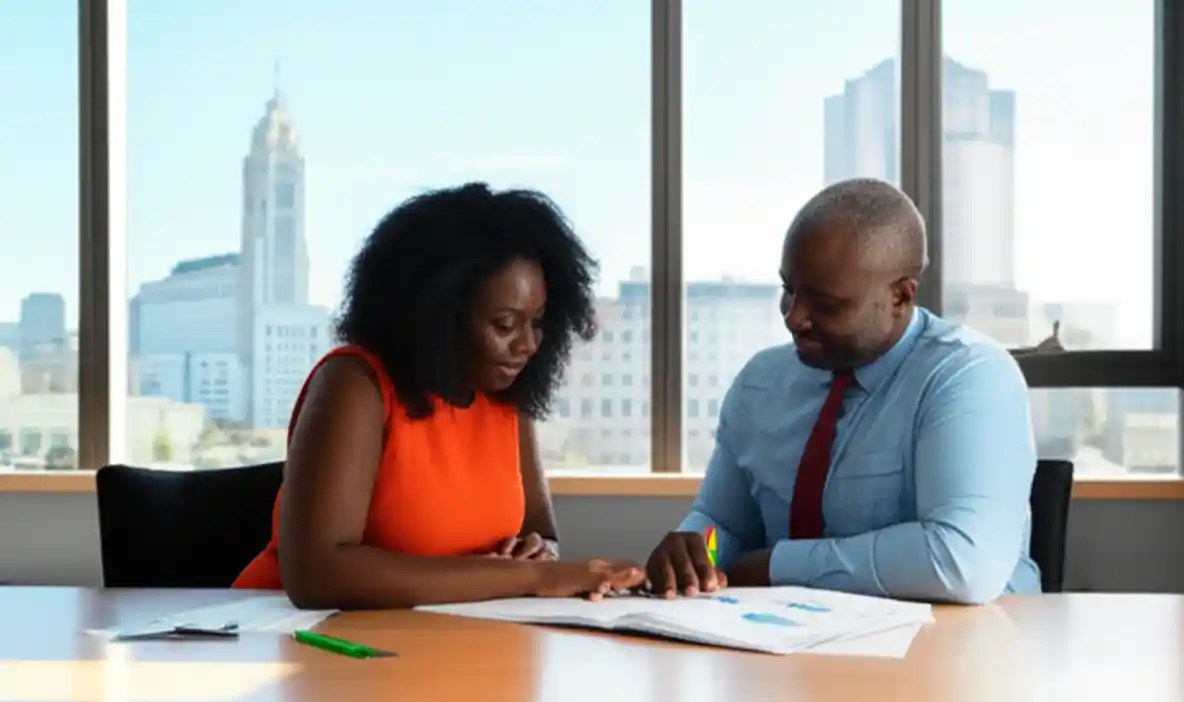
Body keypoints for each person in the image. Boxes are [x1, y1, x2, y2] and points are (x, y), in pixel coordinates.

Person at [234, 183, 644, 608]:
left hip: (441, 635)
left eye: (537, 322)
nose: (527, 345)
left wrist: (541, 554)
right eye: (504, 325)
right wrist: (528, 576)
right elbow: (318, 574)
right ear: (438, 315)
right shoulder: (356, 384)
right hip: (283, 634)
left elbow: (541, 532)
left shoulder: (507, 397)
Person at [645, 178, 1039, 604]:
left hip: (965, 636)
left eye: (825, 305)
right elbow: (724, 526)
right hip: (788, 631)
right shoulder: (760, 382)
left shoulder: (968, 375)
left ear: (900, 297)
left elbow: (962, 563)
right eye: (789, 291)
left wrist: (775, 566)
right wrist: (697, 553)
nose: (794, 318)